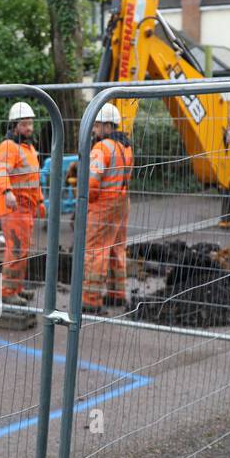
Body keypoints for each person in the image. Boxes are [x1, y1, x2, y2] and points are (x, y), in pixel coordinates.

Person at [81, 103, 133, 314]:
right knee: (117, 247)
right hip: (122, 203)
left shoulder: (101, 148)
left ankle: (90, 299)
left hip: (103, 204)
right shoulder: (126, 146)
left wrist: (84, 200)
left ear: (106, 125)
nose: (93, 129)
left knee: (95, 250)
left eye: (96, 124)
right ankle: (117, 293)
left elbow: (92, 181)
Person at [0, 101, 45, 302]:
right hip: (13, 207)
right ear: (14, 125)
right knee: (15, 249)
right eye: (24, 124)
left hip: (26, 208)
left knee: (22, 249)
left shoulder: (28, 148)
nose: (29, 128)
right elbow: (1, 171)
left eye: (30, 123)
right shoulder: (8, 146)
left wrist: (39, 201)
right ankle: (7, 293)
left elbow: (33, 177)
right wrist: (7, 191)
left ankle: (16, 288)